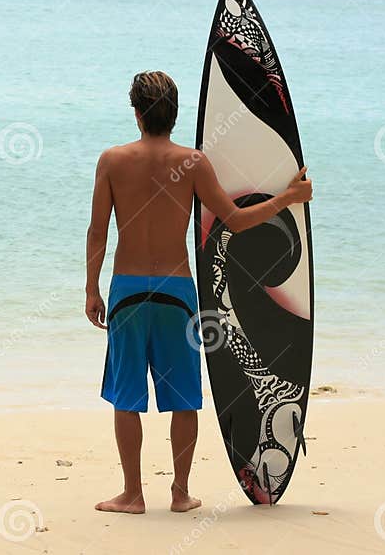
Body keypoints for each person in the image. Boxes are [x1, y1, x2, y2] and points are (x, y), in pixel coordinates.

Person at [84, 71, 312, 514]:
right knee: (184, 395)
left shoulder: (112, 160)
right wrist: (288, 197)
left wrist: (92, 290)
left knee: (126, 395)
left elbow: (98, 232)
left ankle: (132, 495)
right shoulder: (192, 163)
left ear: (136, 114)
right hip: (178, 291)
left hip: (128, 291)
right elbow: (236, 220)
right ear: (175, 114)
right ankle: (180, 493)